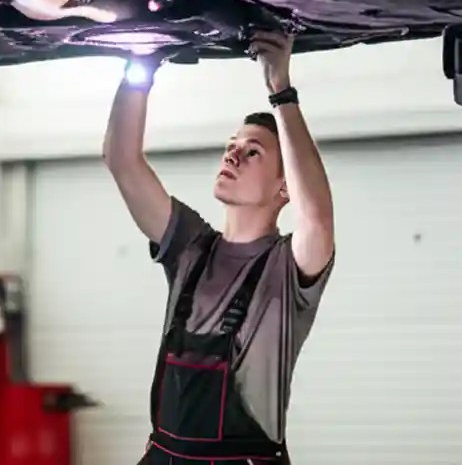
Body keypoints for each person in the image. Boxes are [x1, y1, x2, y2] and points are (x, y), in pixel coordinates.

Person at [103, 31, 336, 465]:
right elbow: (122, 160)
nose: (232, 156)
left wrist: (280, 90)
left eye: (252, 153)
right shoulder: (190, 247)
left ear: (284, 187)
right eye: (230, 147)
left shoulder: (288, 269)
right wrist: (141, 66)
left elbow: (317, 219)